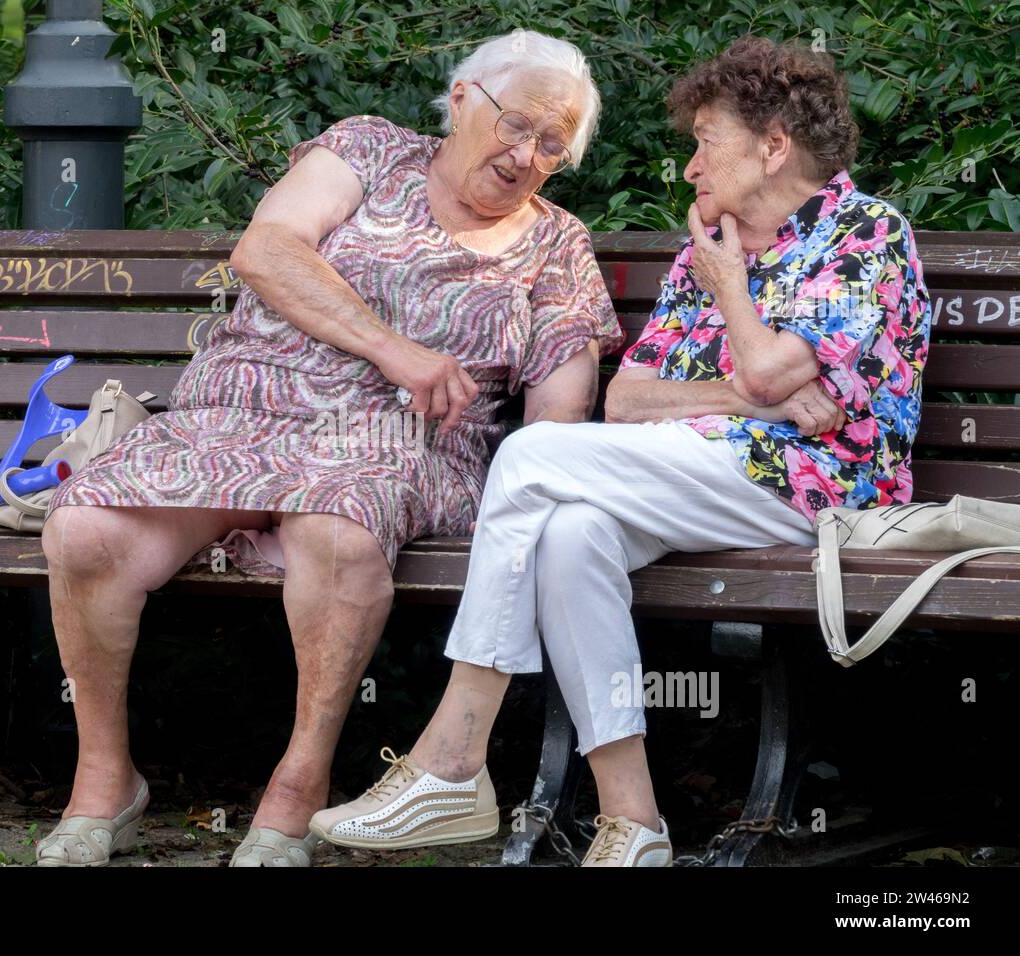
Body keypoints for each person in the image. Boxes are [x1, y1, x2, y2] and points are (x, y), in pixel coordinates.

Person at [311, 34, 931, 867]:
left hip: (817, 488)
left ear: (773, 144)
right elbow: (630, 398)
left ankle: (453, 756)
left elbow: (774, 362)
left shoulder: (864, 234)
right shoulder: (709, 245)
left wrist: (733, 299)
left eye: (705, 141)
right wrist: (747, 394)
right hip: (706, 469)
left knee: (531, 459)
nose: (689, 169)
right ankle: (632, 825)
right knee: (570, 538)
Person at [34, 29, 623, 866]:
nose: (527, 154)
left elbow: (558, 413)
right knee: (86, 529)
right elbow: (267, 250)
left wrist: (532, 474)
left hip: (399, 445)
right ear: (462, 100)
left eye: (552, 144)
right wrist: (395, 348)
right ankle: (103, 781)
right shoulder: (367, 151)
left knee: (337, 529)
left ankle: (295, 792)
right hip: (237, 415)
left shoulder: (556, 244)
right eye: (517, 124)